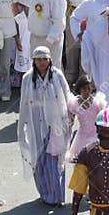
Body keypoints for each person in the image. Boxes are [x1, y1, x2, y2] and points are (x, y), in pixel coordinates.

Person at [17, 46, 72, 206]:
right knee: (39, 160)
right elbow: (23, 103)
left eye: (44, 59)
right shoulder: (27, 78)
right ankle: (45, 193)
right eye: (38, 59)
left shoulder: (57, 75)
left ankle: (57, 195)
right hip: (35, 123)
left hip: (55, 123)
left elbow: (67, 94)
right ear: (33, 60)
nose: (41, 62)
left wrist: (71, 114)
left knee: (54, 159)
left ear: (49, 60)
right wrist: (23, 125)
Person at [66, 75, 108, 163]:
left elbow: (104, 118)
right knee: (82, 162)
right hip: (81, 136)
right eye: (84, 89)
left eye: (89, 89)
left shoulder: (97, 103)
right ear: (79, 89)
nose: (86, 91)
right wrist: (71, 120)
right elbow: (71, 114)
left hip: (95, 135)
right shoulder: (74, 103)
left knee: (95, 161)